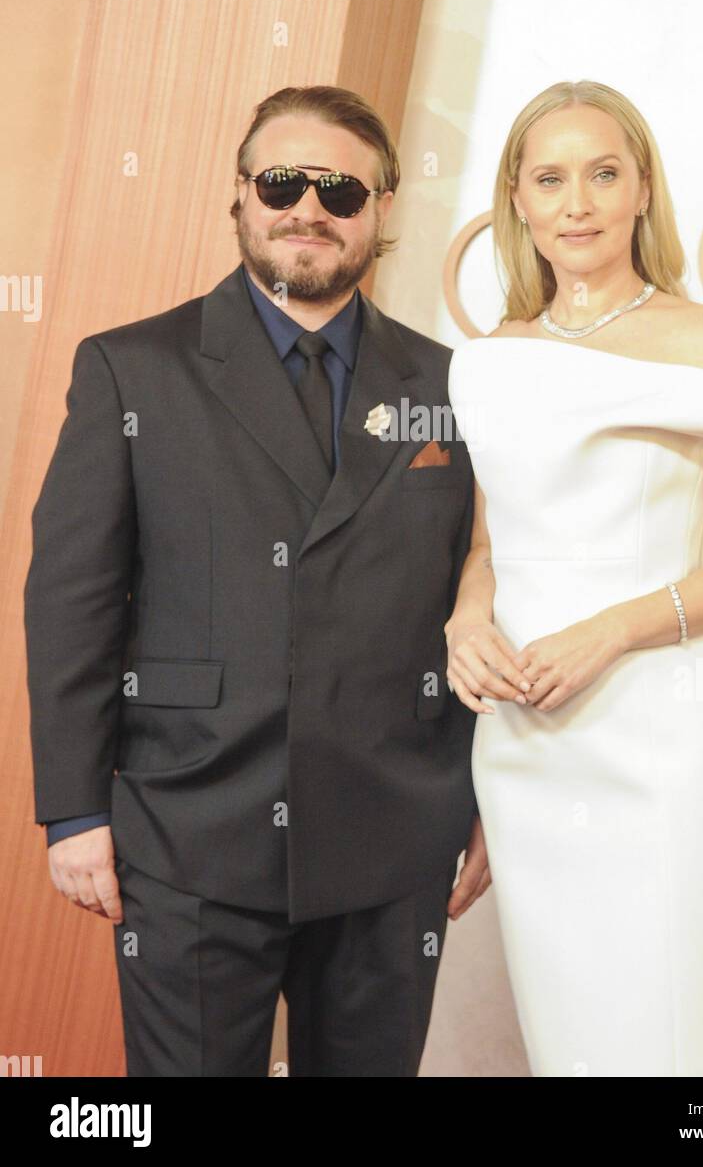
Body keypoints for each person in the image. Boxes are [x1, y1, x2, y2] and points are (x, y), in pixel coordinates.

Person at [25, 84, 489, 1077]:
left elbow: (482, 594)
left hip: (394, 834)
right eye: (282, 181)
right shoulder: (131, 370)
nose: (308, 208)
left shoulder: (454, 390)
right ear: (240, 194)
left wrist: (494, 793)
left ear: (382, 211)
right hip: (187, 825)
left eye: (341, 191)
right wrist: (75, 809)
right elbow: (72, 597)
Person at [445, 79, 703, 1076]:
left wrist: (610, 631)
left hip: (671, 726)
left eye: (604, 173)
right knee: (582, 1033)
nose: (579, 204)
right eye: (551, 178)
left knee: (695, 1023)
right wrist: (465, 621)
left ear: (643, 188)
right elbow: (490, 541)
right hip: (530, 737)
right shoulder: (488, 360)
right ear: (516, 199)